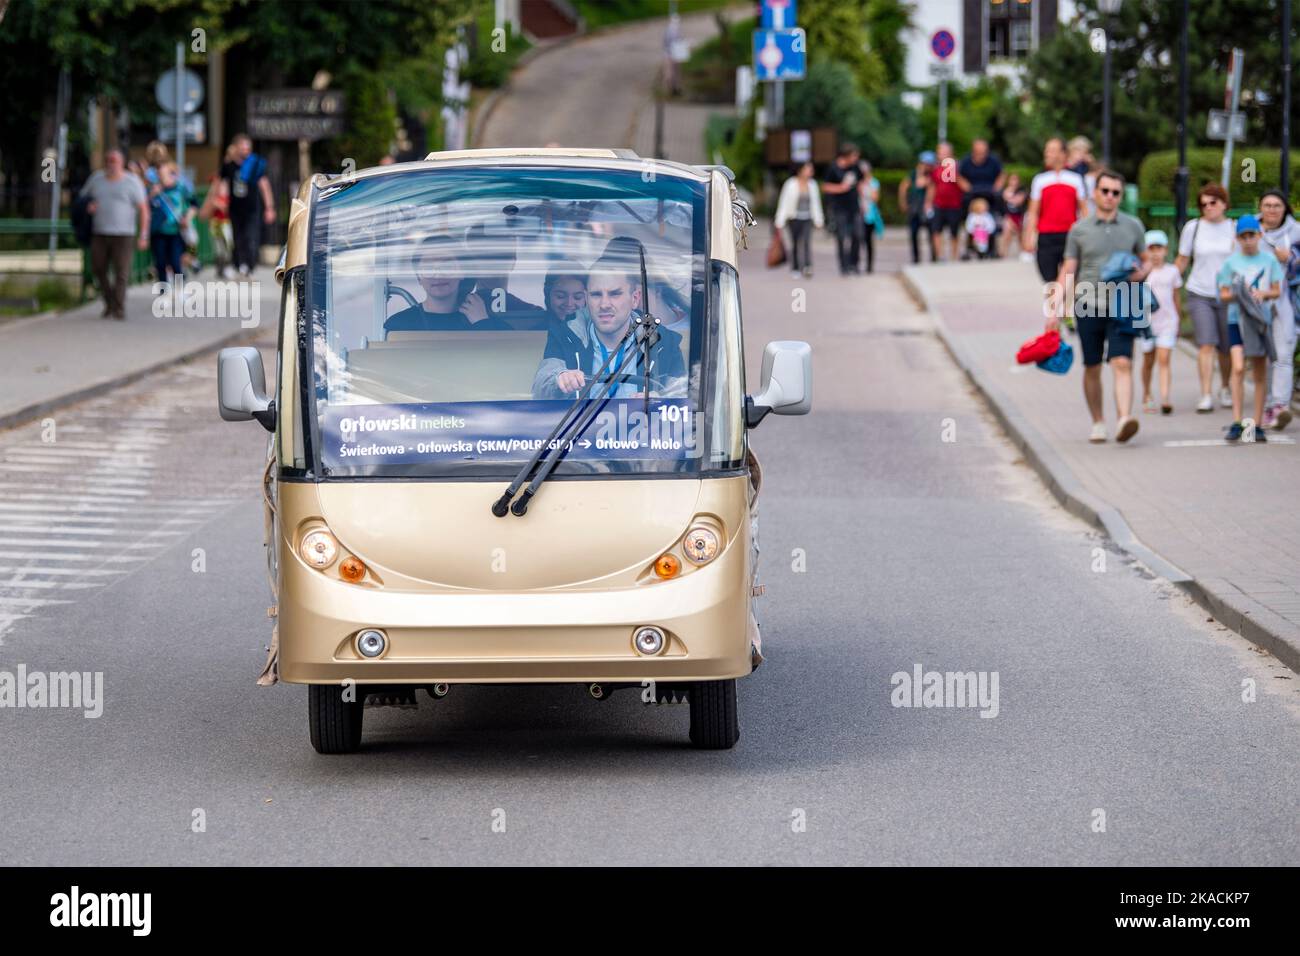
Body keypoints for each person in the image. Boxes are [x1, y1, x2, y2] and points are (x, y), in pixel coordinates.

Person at [1049, 169, 1149, 444]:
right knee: (1092, 366)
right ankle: (1098, 422)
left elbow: (1146, 258)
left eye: (1115, 193)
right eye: (1105, 191)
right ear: (1095, 193)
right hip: (1088, 302)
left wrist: (1143, 271)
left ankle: (1124, 419)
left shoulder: (1133, 226)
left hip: (1124, 301)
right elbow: (1068, 269)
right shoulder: (1079, 229)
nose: (1109, 197)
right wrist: (1054, 307)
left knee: (1122, 362)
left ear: (1120, 196)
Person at [532, 253, 686, 400]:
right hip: (579, 427)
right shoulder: (567, 335)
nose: (604, 304)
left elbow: (682, 397)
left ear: (635, 298)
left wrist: (662, 401)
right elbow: (540, 386)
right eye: (596, 294)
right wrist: (559, 379)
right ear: (586, 298)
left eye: (614, 294)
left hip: (644, 427)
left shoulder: (663, 341)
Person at [1216, 214, 1284, 442]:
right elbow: (1223, 293)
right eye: (1243, 236)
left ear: (1259, 235)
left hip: (1259, 321)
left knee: (1259, 370)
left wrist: (1262, 294)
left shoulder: (1269, 260)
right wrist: (1239, 295)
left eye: (1251, 235)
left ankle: (1256, 423)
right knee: (1237, 368)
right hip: (1237, 320)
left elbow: (1277, 290)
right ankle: (1237, 421)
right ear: (1237, 239)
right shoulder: (1230, 263)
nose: (1247, 240)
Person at [1174, 182, 1237, 413]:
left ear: (1224, 203)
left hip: (1227, 295)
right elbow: (1182, 259)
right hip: (1199, 292)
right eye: (1203, 204)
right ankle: (1206, 393)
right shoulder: (1193, 227)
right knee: (1206, 344)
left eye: (1213, 202)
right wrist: (1164, 280)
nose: (1208, 207)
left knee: (1227, 347)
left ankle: (1225, 387)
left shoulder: (1234, 227)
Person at [384, 235, 511, 334]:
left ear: (462, 272)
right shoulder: (398, 325)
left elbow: (509, 358)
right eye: (428, 268)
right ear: (419, 277)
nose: (438, 274)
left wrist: (482, 323)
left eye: (447, 266)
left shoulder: (484, 319)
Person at [79, 148, 149, 320]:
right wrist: (88, 206)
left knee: (121, 271)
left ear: (122, 163)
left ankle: (118, 307)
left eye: (114, 161)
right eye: (108, 160)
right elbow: (82, 199)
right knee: (98, 268)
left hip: (124, 234)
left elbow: (143, 209)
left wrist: (143, 235)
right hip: (100, 232)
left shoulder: (132, 182)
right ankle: (109, 300)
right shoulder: (96, 179)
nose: (111, 164)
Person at [1257, 189, 1297, 430]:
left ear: (1285, 209)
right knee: (1262, 356)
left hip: (1286, 303)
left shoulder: (1296, 232)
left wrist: (1291, 258)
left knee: (1283, 354)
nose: (1271, 209)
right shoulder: (1250, 231)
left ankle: (1279, 405)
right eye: (1267, 205)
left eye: (1277, 205)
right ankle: (1264, 404)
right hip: (1254, 304)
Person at [1024, 137, 1088, 285]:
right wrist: (1028, 236)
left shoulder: (1076, 179)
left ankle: (1068, 308)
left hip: (1070, 236)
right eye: (1046, 150)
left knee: (1071, 279)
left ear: (1063, 154)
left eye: (1051, 150)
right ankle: (1053, 308)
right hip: (1047, 237)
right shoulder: (1039, 180)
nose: (1047, 154)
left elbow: (1084, 210)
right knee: (1049, 280)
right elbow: (1033, 212)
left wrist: (1087, 235)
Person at [1138, 229, 1182, 415]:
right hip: (1146, 323)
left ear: (1165, 250)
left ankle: (1165, 397)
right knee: (1149, 360)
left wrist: (1177, 319)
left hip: (1167, 321)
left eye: (1159, 248)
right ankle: (1147, 393)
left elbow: (1176, 297)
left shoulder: (1172, 271)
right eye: (1151, 248)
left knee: (1164, 358)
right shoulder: (1141, 273)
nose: (1155, 253)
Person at [219, 133, 275, 277]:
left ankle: (249, 266)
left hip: (252, 208)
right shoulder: (229, 165)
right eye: (243, 148)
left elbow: (264, 185)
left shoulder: (254, 164)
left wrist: (269, 207)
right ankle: (238, 265)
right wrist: (222, 201)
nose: (246, 151)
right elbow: (223, 184)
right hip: (234, 208)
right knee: (236, 238)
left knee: (251, 237)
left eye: (248, 148)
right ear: (236, 148)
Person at [148, 160, 196, 282]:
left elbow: (194, 204)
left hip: (175, 231)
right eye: (158, 172)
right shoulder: (152, 189)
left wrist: (187, 218)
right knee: (160, 264)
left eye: (163, 171)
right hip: (157, 231)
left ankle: (180, 292)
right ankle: (164, 294)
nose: (160, 174)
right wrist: (151, 195)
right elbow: (144, 207)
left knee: (176, 262)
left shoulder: (180, 187)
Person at [774, 161, 823, 278]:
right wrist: (779, 220)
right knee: (795, 243)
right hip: (794, 218)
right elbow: (784, 202)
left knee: (806, 242)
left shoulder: (812, 184)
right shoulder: (790, 184)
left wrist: (819, 219)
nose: (811, 171)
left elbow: (816, 203)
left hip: (808, 217)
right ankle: (795, 267)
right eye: (808, 169)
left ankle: (807, 266)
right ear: (800, 170)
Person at [957, 138, 1005, 259]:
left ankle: (993, 247)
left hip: (990, 195)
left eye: (984, 152)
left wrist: (996, 187)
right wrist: (966, 186)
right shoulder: (966, 161)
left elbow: (1002, 174)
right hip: (972, 195)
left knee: (992, 219)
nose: (981, 155)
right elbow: (958, 176)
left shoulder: (993, 161)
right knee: (969, 222)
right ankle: (969, 247)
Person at [822, 144, 866, 275]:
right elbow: (825, 187)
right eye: (854, 155)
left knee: (857, 235)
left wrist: (863, 202)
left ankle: (854, 263)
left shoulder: (855, 167)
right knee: (841, 237)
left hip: (854, 207)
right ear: (846, 156)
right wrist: (840, 188)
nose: (856, 158)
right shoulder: (833, 168)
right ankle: (844, 265)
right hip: (839, 208)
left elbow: (861, 183)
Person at [927, 141, 964, 262]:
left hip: (954, 205)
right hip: (939, 204)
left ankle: (954, 256)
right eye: (940, 152)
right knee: (936, 231)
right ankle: (940, 256)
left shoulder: (957, 166)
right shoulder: (936, 168)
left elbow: (965, 186)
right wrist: (928, 202)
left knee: (954, 232)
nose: (941, 154)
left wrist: (955, 173)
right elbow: (932, 186)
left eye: (944, 152)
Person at [899, 151, 934, 265]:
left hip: (926, 208)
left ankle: (933, 257)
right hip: (914, 207)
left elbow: (930, 189)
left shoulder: (932, 175)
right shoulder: (913, 174)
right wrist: (903, 202)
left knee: (931, 233)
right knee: (913, 233)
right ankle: (916, 258)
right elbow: (904, 187)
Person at [859, 160, 883, 273]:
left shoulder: (874, 182)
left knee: (868, 241)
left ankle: (869, 265)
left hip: (870, 215)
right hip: (860, 214)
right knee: (859, 240)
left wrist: (867, 187)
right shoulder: (858, 183)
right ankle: (856, 263)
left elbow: (875, 198)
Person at [999, 172, 1029, 258]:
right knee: (1007, 233)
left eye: (1015, 179)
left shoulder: (1022, 190)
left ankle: (1023, 251)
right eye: (1012, 179)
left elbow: (1018, 201)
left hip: (1020, 216)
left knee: (1021, 235)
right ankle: (1003, 252)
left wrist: (1008, 196)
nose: (1013, 181)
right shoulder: (1005, 190)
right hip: (1009, 216)